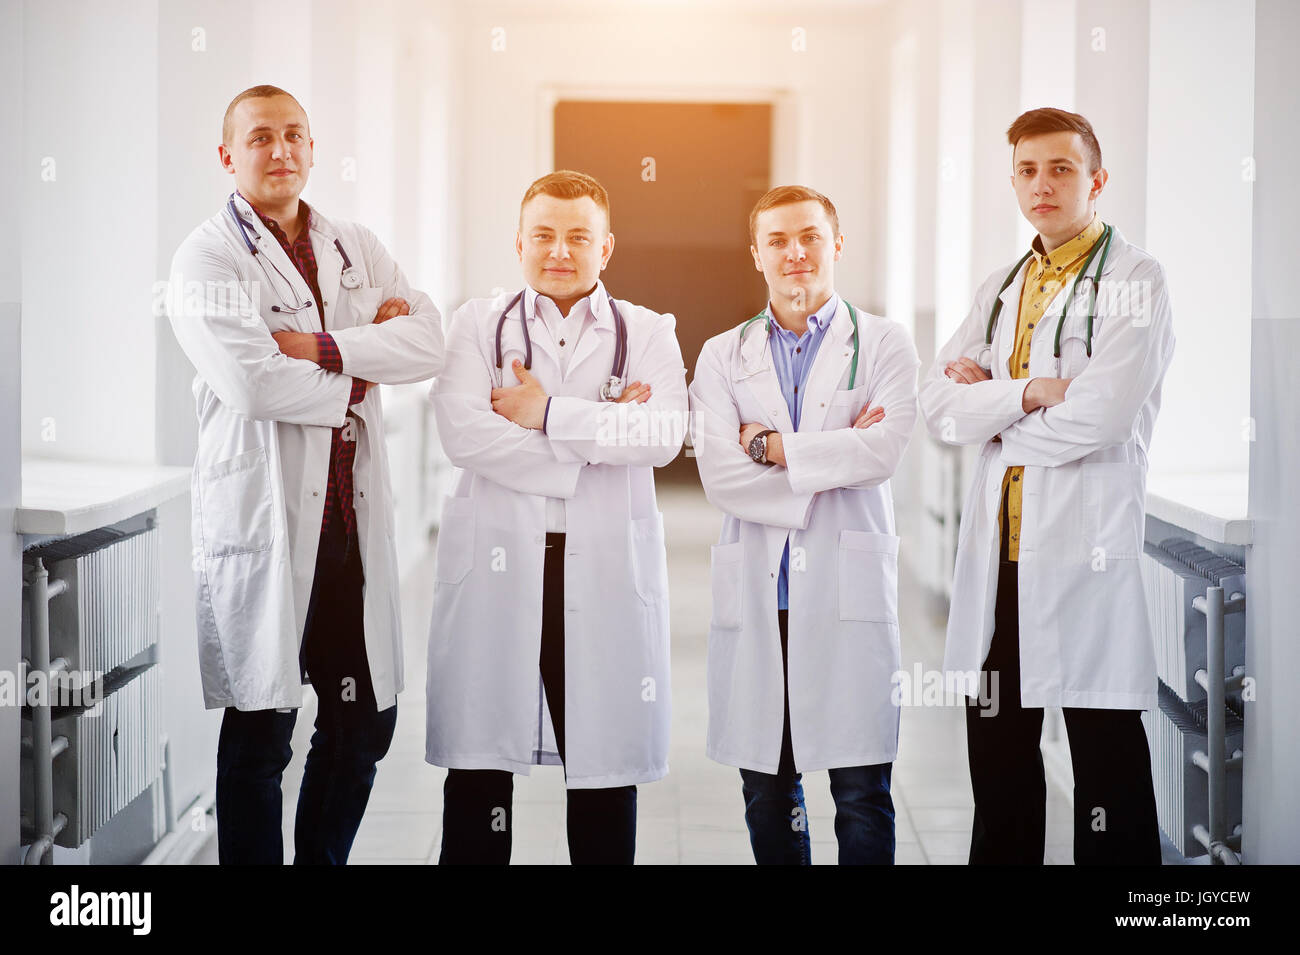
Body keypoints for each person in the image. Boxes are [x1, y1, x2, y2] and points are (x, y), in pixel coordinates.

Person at [166, 85, 444, 864]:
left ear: (314, 149)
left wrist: (321, 348)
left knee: (365, 721)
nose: (280, 150)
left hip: (347, 531)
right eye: (260, 138)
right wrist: (364, 367)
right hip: (269, 524)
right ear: (229, 156)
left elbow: (428, 343)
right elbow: (253, 383)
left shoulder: (353, 243)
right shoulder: (208, 257)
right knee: (261, 730)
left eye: (294, 135)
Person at [919, 107, 1175, 865]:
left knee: (1107, 764)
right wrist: (1030, 393)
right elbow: (939, 406)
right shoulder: (1002, 285)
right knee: (997, 751)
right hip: (1001, 550)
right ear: (1013, 183)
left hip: (1083, 547)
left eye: (1061, 168)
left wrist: (991, 410)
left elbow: (1100, 416)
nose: (1043, 185)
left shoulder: (1136, 278)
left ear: (1096, 181)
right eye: (1028, 170)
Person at [425, 170, 687, 865]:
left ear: (607, 246)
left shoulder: (650, 331)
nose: (560, 251)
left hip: (602, 571)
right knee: (480, 777)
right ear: (518, 242)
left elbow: (661, 437)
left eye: (579, 236)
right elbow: (464, 435)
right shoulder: (477, 325)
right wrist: (597, 437)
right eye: (543, 234)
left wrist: (545, 415)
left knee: (602, 771)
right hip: (498, 565)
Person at [689, 185, 919, 864]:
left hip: (846, 597)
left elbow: (881, 454)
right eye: (779, 240)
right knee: (768, 788)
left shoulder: (883, 343)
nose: (795, 253)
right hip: (763, 594)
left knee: (861, 790)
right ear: (755, 254)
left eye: (810, 237)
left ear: (836, 244)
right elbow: (719, 477)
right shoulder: (721, 355)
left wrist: (771, 446)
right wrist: (831, 454)